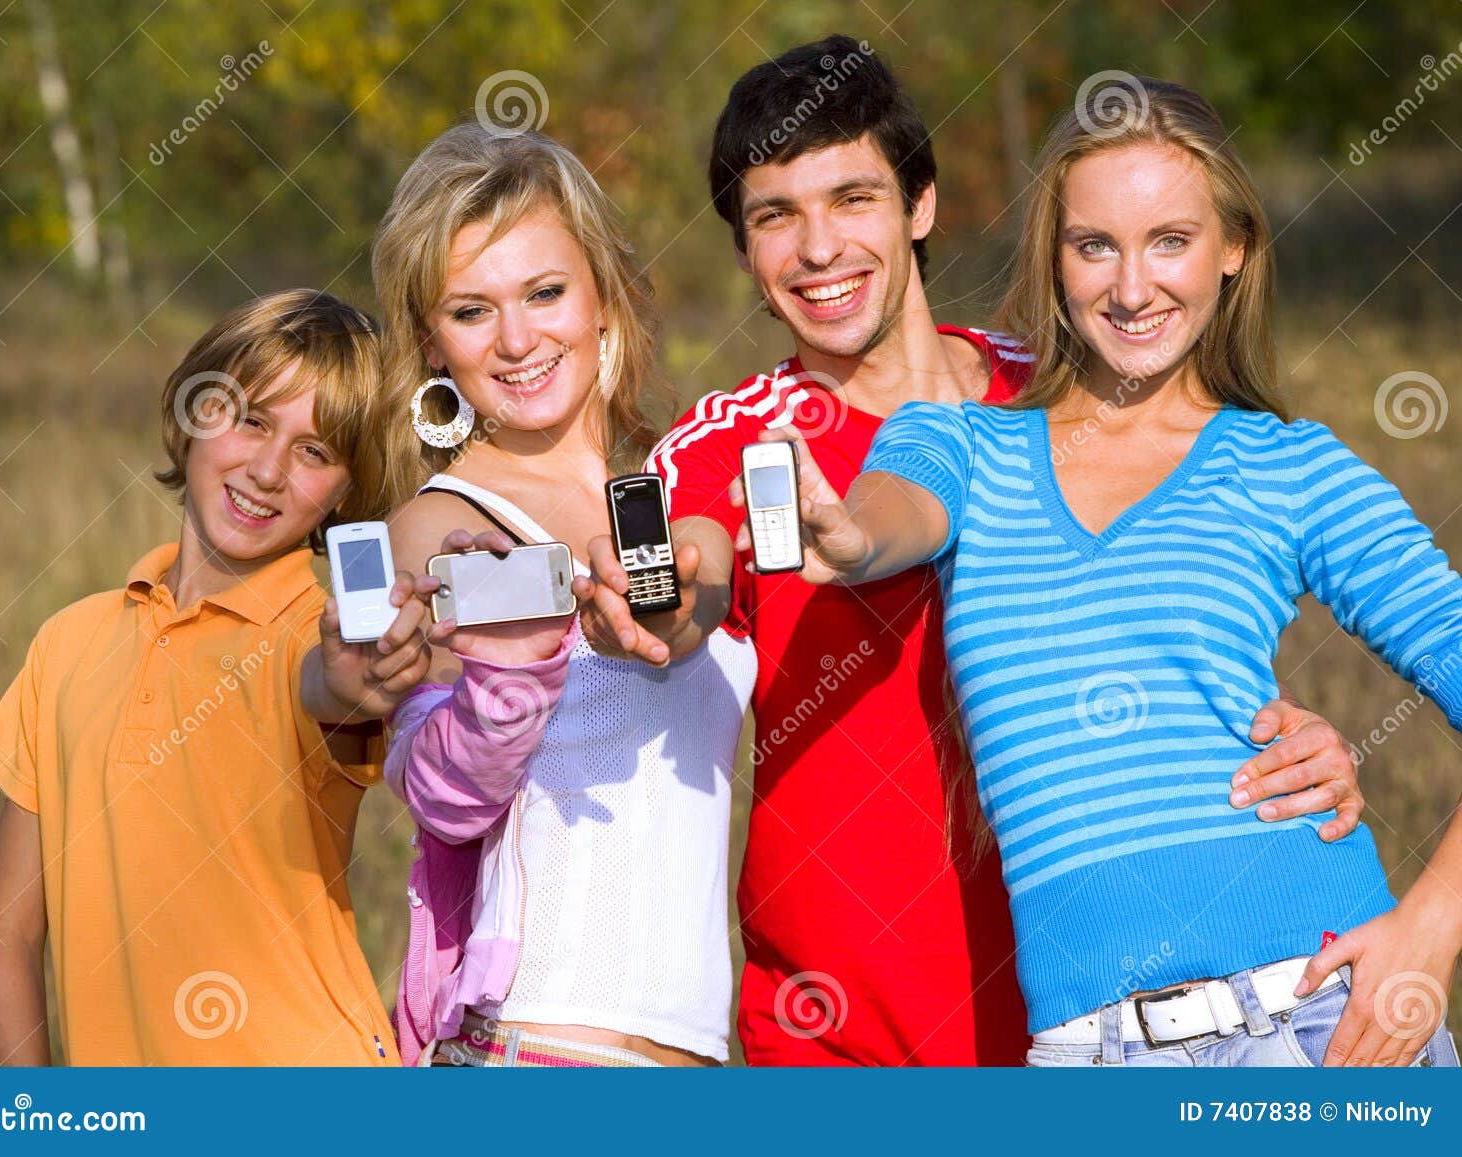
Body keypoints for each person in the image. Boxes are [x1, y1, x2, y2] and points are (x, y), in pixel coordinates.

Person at [580, 35, 1369, 1065]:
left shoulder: (1068, 395)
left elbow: (1196, 614)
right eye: (775, 216)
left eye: (851, 199)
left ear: (920, 205)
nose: (817, 248)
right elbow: (691, 570)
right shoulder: (732, 440)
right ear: (742, 249)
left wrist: (1294, 740)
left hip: (1097, 1009)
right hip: (839, 1027)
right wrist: (660, 607)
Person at [767, 77, 1462, 1067]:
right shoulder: (960, 446)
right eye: (1094, 245)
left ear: (1234, 248)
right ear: (1053, 260)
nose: (1131, 288)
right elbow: (887, 516)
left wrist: (1431, 928)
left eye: (1169, 241)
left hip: (1321, 1018)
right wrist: (842, 537)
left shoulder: (1292, 467)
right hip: (1088, 1057)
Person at [368, 123, 756, 1067]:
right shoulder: (441, 524)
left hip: (690, 1056)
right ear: (430, 339)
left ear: (603, 299)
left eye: (545, 292)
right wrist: (517, 663)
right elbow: (444, 797)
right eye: (471, 310)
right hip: (531, 1049)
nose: (517, 339)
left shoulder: (667, 497)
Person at [0, 290, 431, 1064]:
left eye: (316, 452)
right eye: (251, 418)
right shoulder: (65, 643)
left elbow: (334, 689)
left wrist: (354, 682)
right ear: (194, 409)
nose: (269, 470)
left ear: (345, 494)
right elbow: (2, 937)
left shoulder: (319, 645)